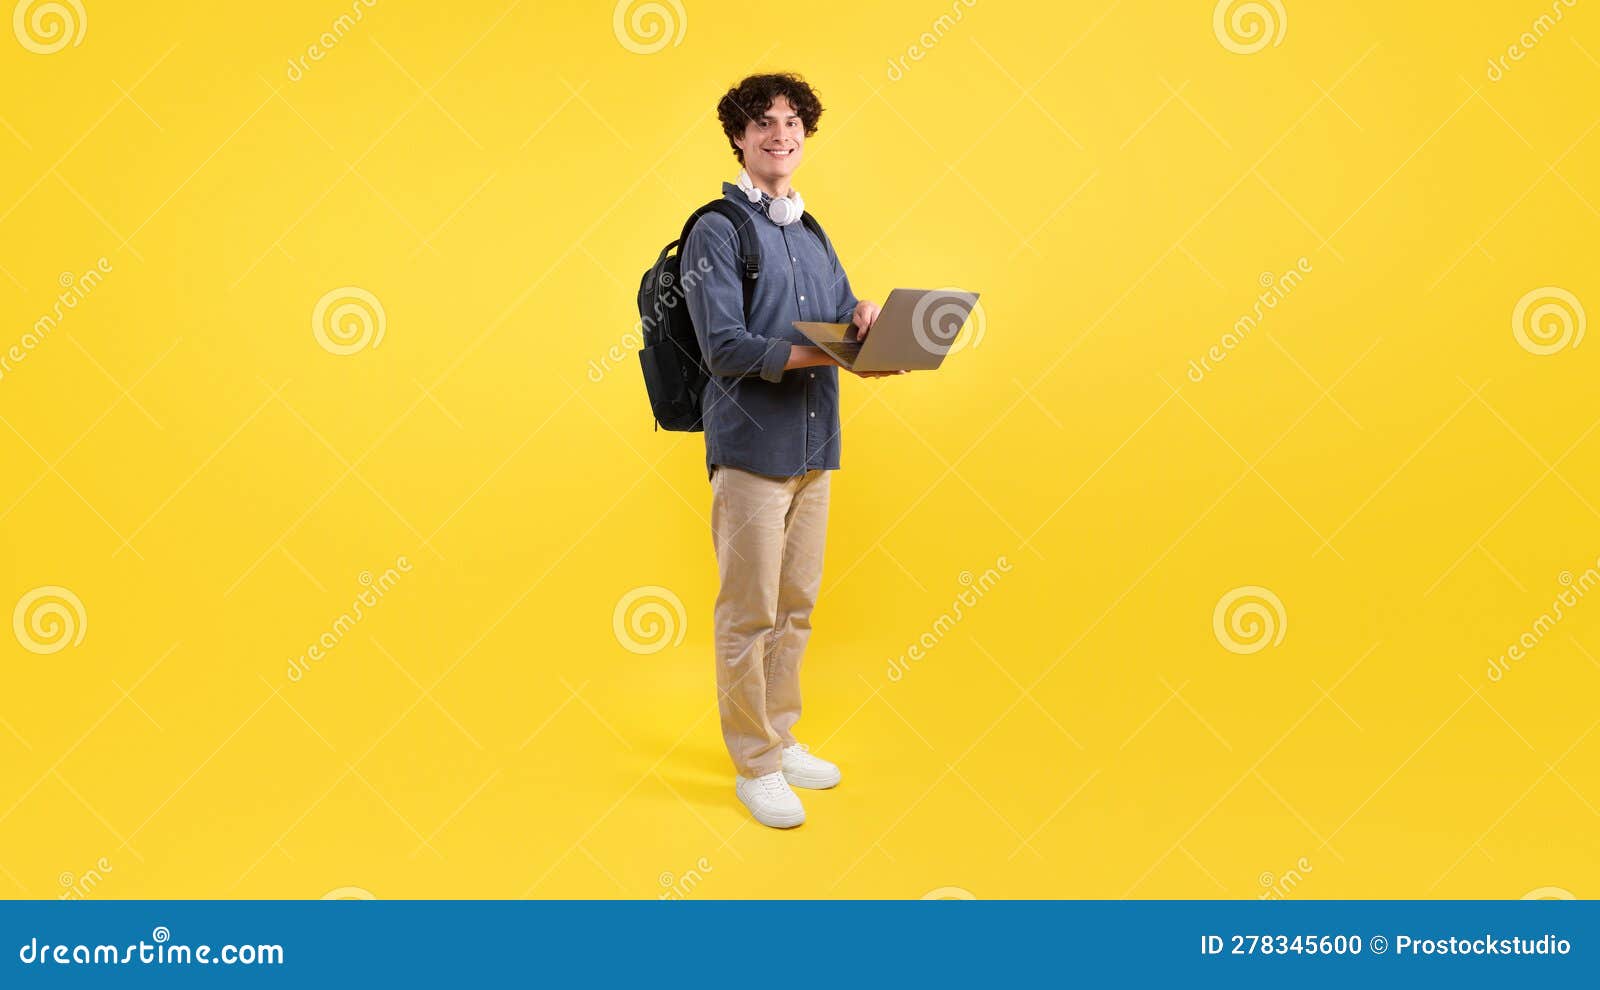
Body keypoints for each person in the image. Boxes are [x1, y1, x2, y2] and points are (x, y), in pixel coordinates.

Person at [682, 72, 900, 829]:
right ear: (739, 137)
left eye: (793, 124)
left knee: (797, 606)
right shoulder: (717, 228)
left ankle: (780, 735)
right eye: (763, 124)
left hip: (817, 446)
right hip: (750, 451)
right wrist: (832, 354)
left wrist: (868, 322)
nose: (781, 135)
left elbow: (839, 317)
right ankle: (754, 764)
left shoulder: (811, 231)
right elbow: (726, 347)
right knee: (749, 611)